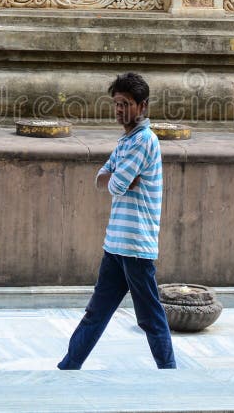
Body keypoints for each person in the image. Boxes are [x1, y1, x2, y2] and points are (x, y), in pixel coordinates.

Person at [58, 72, 175, 370]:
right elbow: (102, 179)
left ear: (143, 106)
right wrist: (118, 178)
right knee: (95, 313)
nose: (120, 109)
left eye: (126, 103)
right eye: (117, 103)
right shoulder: (126, 142)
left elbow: (115, 184)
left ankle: (170, 374)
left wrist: (118, 179)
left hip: (136, 246)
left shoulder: (144, 141)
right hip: (115, 246)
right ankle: (68, 368)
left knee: (150, 318)